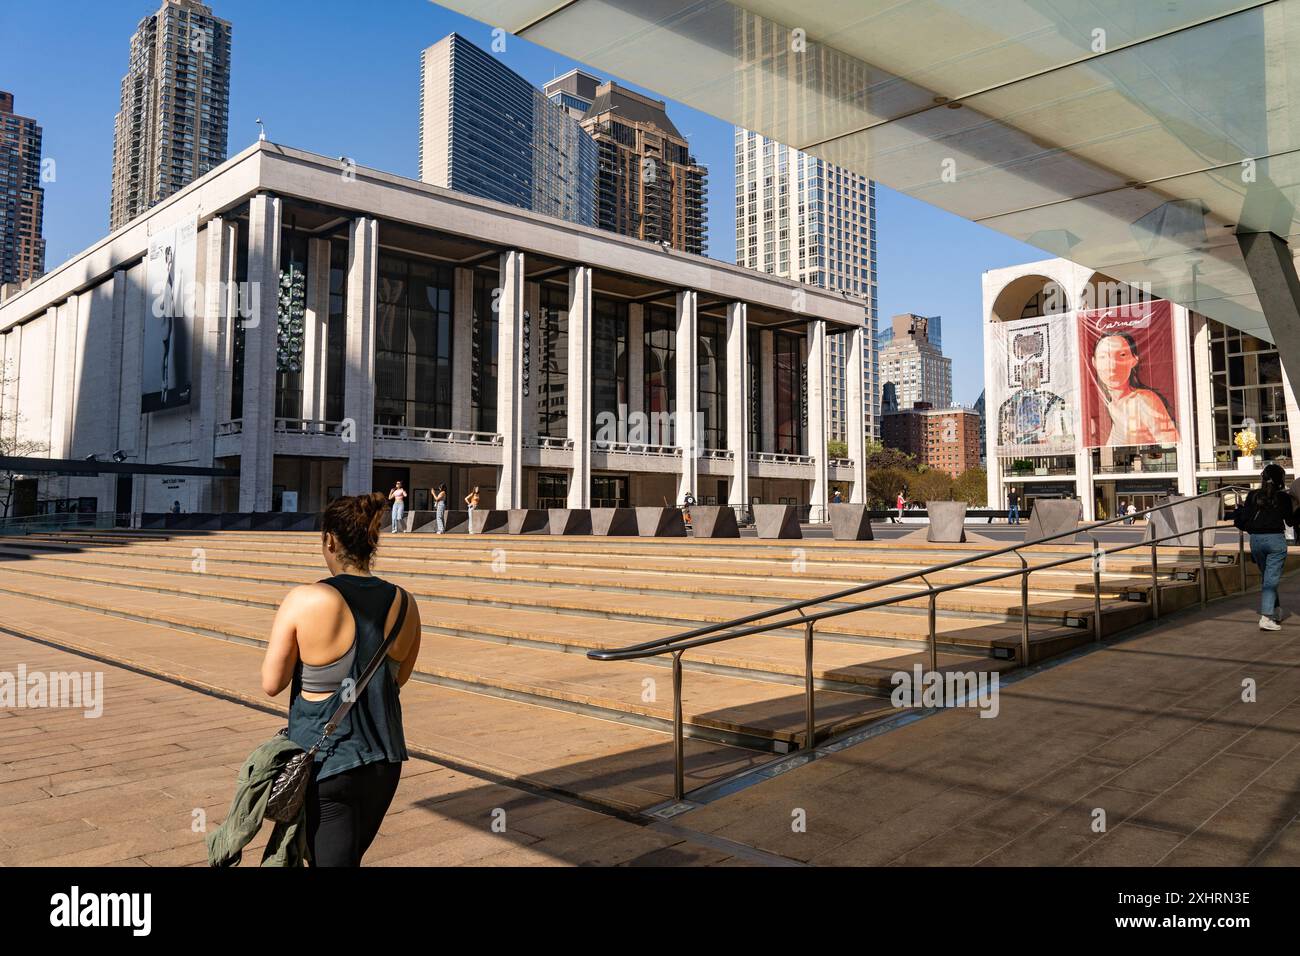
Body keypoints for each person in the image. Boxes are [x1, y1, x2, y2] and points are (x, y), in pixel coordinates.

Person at [259, 492, 423, 866]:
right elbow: (399, 678)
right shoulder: (406, 602)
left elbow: (272, 682)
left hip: (327, 762)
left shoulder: (304, 598)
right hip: (384, 760)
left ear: (330, 540)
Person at [1090, 332, 1179, 446]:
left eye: (1122, 355)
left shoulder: (1144, 400)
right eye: (1103, 357)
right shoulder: (1111, 406)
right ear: (1094, 362)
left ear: (1134, 360)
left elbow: (1171, 444)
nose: (1112, 365)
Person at [1238, 463, 1295, 631]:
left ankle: (1276, 610)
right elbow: (1290, 521)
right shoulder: (1283, 497)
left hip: (1255, 541)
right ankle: (1266, 617)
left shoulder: (1253, 495)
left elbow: (1246, 517)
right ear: (1280, 479)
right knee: (1271, 579)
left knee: (1268, 577)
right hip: (1275, 541)